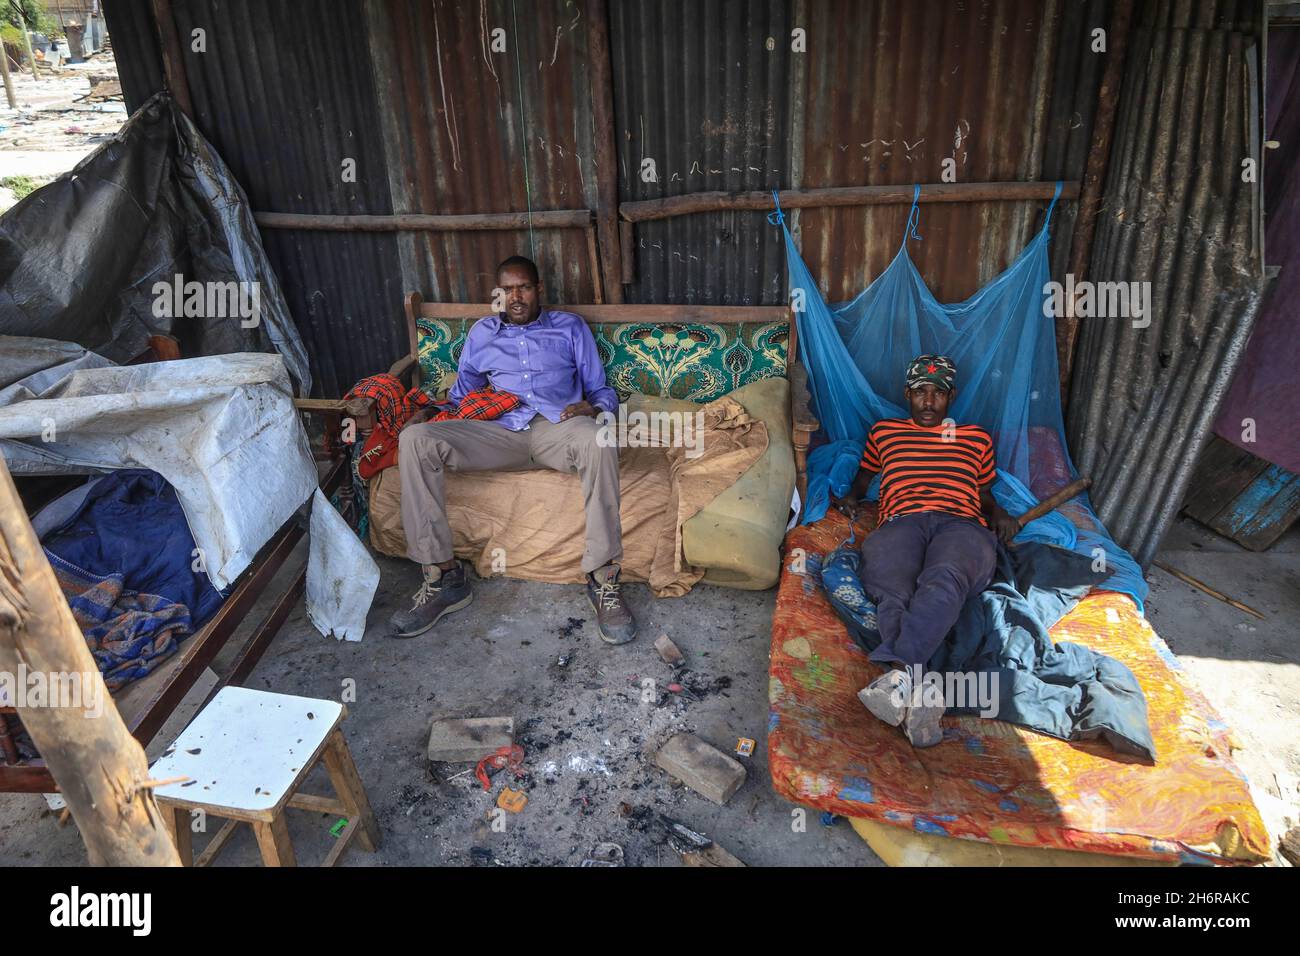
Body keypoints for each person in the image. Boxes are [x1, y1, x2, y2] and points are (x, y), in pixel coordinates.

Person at [388, 255, 636, 645]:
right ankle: (444, 577)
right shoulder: (482, 334)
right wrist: (427, 412)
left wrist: (594, 407)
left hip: (558, 428)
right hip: (500, 433)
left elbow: (601, 389)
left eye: (523, 287)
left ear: (539, 290)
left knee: (598, 437)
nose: (515, 297)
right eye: (506, 290)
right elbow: (462, 396)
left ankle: (602, 578)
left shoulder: (569, 327)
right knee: (415, 441)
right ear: (497, 294)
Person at [831, 354, 1019, 746]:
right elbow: (864, 477)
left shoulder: (976, 438)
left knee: (943, 578)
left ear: (952, 397)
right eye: (920, 393)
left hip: (961, 523)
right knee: (892, 587)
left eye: (938, 393)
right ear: (907, 395)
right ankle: (921, 698)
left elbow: (985, 494)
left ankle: (900, 674)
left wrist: (1000, 513)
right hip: (901, 520)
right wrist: (851, 496)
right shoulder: (885, 433)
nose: (929, 402)